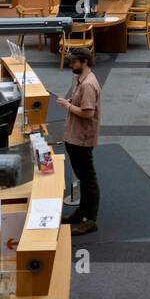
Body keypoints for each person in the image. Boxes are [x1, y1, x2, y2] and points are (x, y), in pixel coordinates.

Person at [58, 49, 101, 236]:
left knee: (88, 180)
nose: (70, 65)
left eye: (73, 62)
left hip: (81, 138)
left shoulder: (88, 85)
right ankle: (81, 212)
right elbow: (82, 103)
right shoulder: (81, 81)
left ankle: (90, 220)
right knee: (83, 178)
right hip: (75, 136)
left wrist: (68, 106)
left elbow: (88, 112)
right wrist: (72, 101)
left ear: (83, 62)